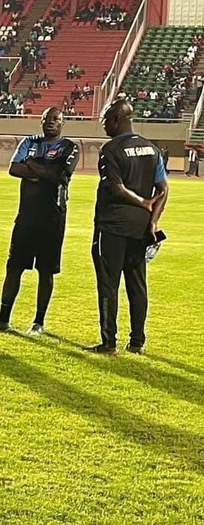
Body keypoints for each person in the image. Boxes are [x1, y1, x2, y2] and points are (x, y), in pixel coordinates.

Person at [0, 107, 80, 335]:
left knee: (46, 271)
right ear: (41, 120)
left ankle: (38, 322)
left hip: (53, 218)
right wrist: (42, 172)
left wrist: (31, 166)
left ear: (62, 123)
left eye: (56, 119)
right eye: (47, 118)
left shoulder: (70, 147)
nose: (51, 122)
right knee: (14, 266)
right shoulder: (29, 142)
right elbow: (13, 168)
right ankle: (2, 319)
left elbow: (60, 175)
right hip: (26, 216)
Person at [86, 100, 168, 355]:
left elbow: (115, 187)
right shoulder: (152, 149)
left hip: (112, 226)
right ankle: (137, 342)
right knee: (137, 283)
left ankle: (109, 343)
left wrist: (142, 201)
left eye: (107, 121)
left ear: (118, 119)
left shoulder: (111, 150)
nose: (104, 127)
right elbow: (164, 189)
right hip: (141, 228)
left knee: (108, 285)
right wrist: (153, 220)